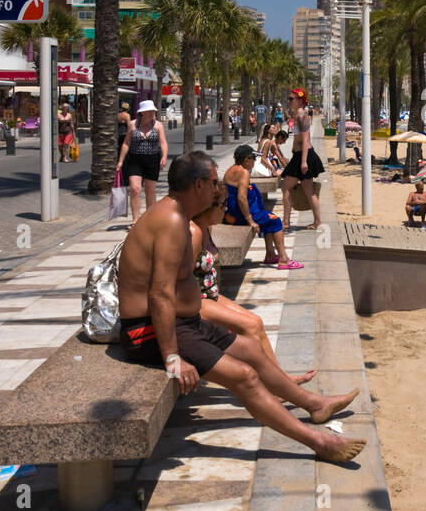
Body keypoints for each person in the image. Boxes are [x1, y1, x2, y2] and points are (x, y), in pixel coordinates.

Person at [116, 151, 363, 463]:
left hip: (182, 323)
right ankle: (319, 443)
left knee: (250, 349)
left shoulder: (178, 216)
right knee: (244, 376)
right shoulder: (170, 220)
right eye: (214, 182)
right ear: (198, 186)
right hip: (148, 332)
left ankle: (314, 404)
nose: (219, 189)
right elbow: (160, 294)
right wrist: (172, 357)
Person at [190, 185, 314, 384]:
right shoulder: (193, 232)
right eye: (222, 206)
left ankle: (281, 380)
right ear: (208, 208)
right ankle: (280, 384)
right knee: (249, 326)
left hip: (209, 295)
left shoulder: (206, 228)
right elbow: (181, 280)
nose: (226, 209)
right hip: (197, 301)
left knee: (256, 322)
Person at [222, 145, 300, 268]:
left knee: (267, 219)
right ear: (246, 160)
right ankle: (284, 259)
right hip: (240, 216)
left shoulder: (231, 170)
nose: (255, 161)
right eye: (254, 158)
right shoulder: (243, 173)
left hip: (232, 214)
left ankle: (270, 254)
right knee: (275, 221)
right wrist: (250, 220)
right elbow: (241, 198)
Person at [117, 100, 169, 223]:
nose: (152, 113)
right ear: (142, 112)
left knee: (150, 190)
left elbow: (163, 142)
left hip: (152, 159)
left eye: (153, 111)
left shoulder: (158, 125)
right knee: (135, 189)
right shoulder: (133, 125)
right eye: (149, 111)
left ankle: (150, 219)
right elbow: (126, 143)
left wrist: (164, 156)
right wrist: (120, 161)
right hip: (135, 159)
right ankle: (135, 220)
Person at [281, 87, 323, 230]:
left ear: (300, 101)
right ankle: (317, 221)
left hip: (303, 156)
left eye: (291, 99)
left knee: (286, 186)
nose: (289, 101)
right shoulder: (298, 115)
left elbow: (305, 140)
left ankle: (286, 221)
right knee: (308, 190)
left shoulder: (302, 116)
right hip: (299, 156)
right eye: (289, 98)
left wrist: (304, 161)